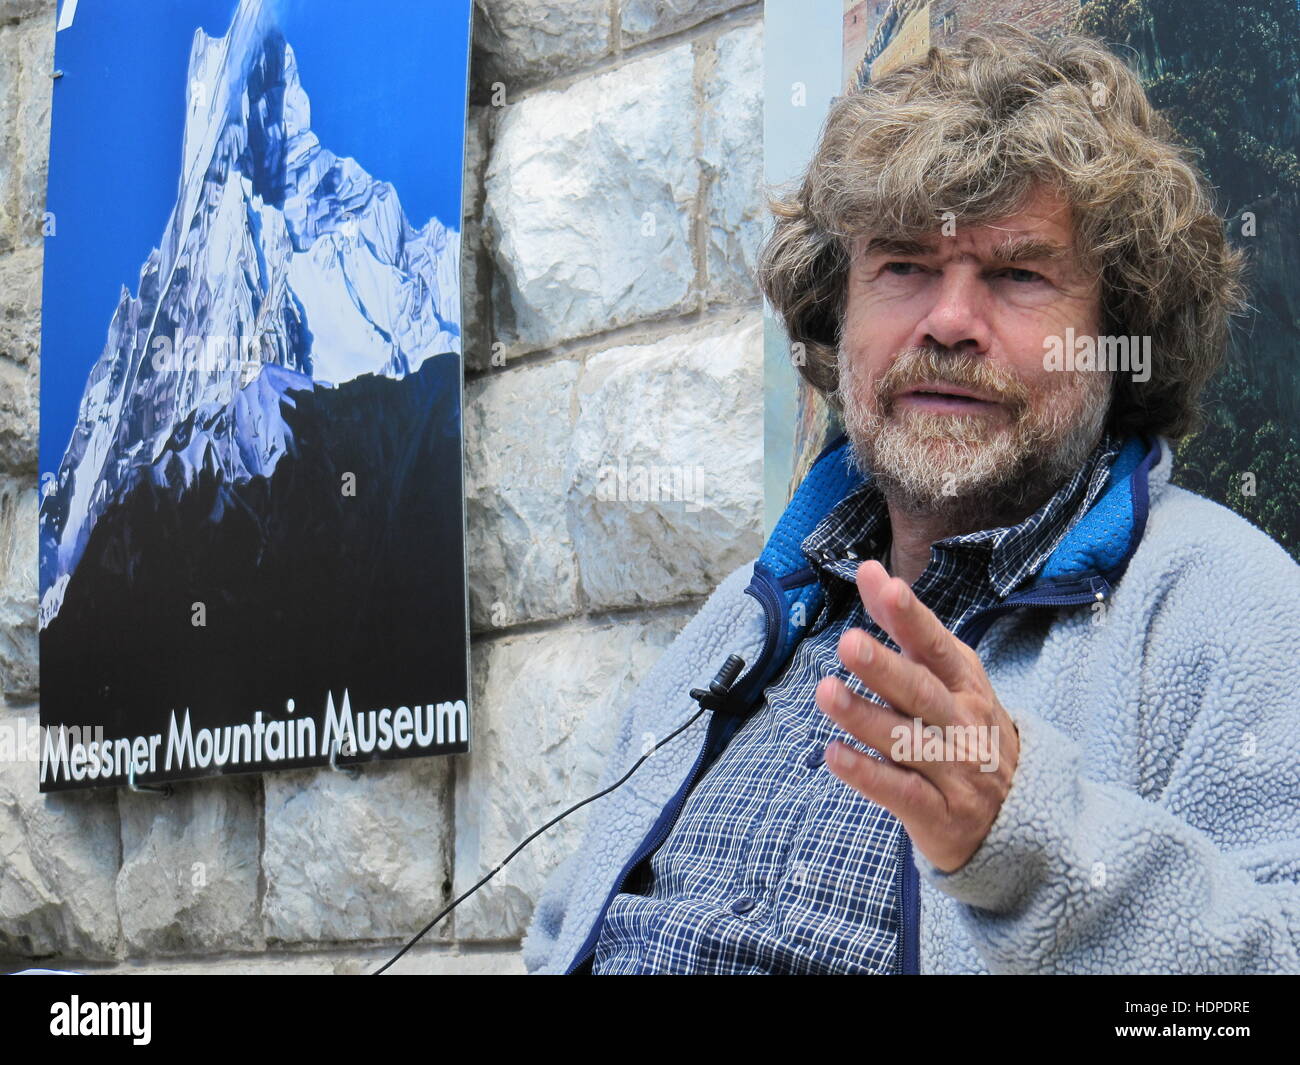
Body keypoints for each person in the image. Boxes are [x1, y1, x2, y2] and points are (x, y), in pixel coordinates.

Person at [522, 27, 1300, 974]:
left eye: (1018, 273)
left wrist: (1026, 839)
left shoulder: (1229, 607)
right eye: (902, 266)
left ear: (1121, 327)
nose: (950, 322)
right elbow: (559, 937)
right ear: (835, 313)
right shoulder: (742, 615)